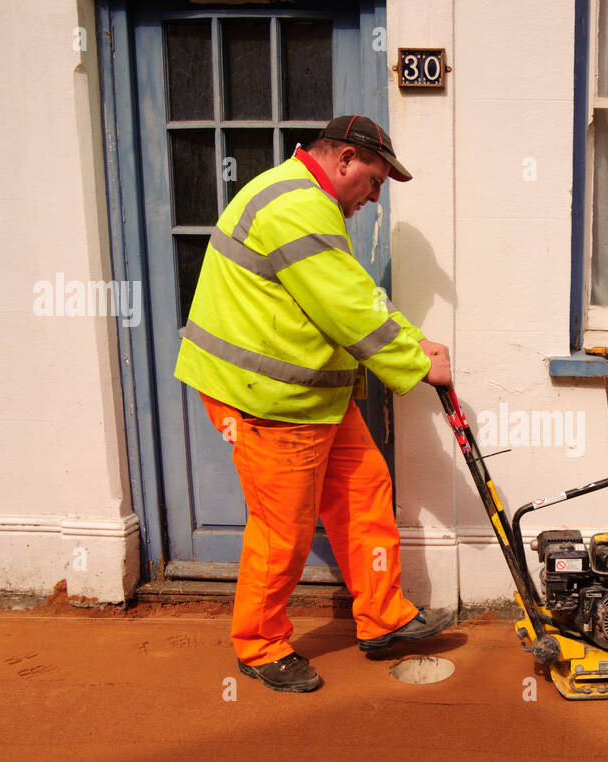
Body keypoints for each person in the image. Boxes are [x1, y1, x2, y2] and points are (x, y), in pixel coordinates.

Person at [173, 114, 454, 693]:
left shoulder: (307, 201)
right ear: (344, 160)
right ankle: (259, 645)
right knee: (284, 529)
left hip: (310, 396)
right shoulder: (295, 205)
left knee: (363, 489)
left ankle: (382, 618)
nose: (374, 198)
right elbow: (345, 307)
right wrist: (416, 362)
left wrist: (410, 337)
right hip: (267, 399)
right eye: (373, 181)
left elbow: (354, 292)